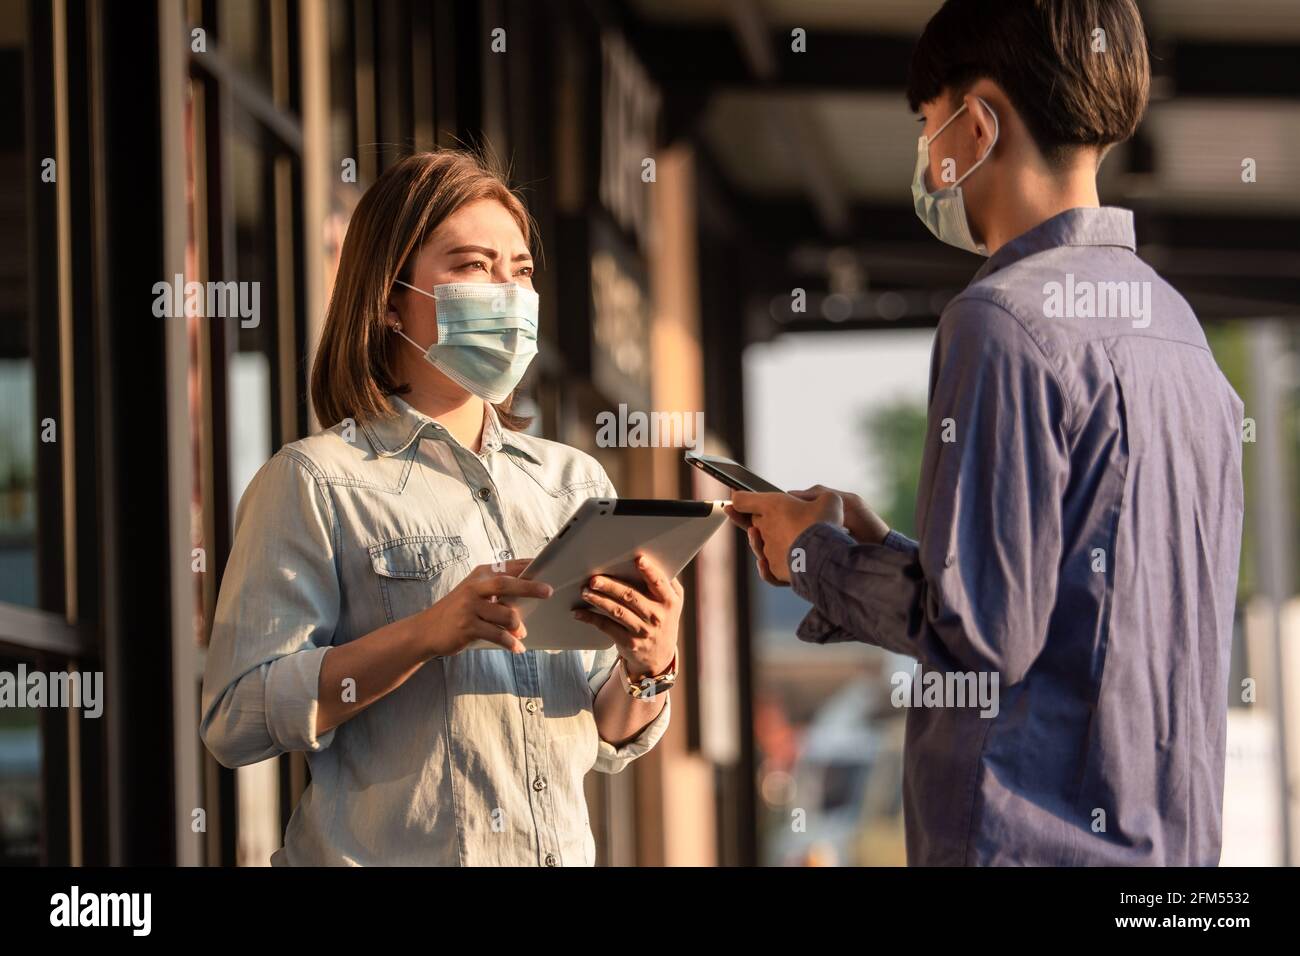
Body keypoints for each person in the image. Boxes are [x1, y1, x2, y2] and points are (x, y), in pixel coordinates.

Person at [728, 0, 1244, 866]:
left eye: (929, 124)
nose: (929, 156)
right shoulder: (1178, 332)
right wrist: (882, 546)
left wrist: (811, 554)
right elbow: (1061, 606)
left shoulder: (1001, 319)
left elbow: (980, 636)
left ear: (976, 125)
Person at [200, 149, 680, 866]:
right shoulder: (313, 481)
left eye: (519, 270)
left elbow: (608, 737)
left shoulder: (574, 484)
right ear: (389, 298)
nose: (508, 292)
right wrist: (429, 633)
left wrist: (652, 661)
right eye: (471, 265)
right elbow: (235, 719)